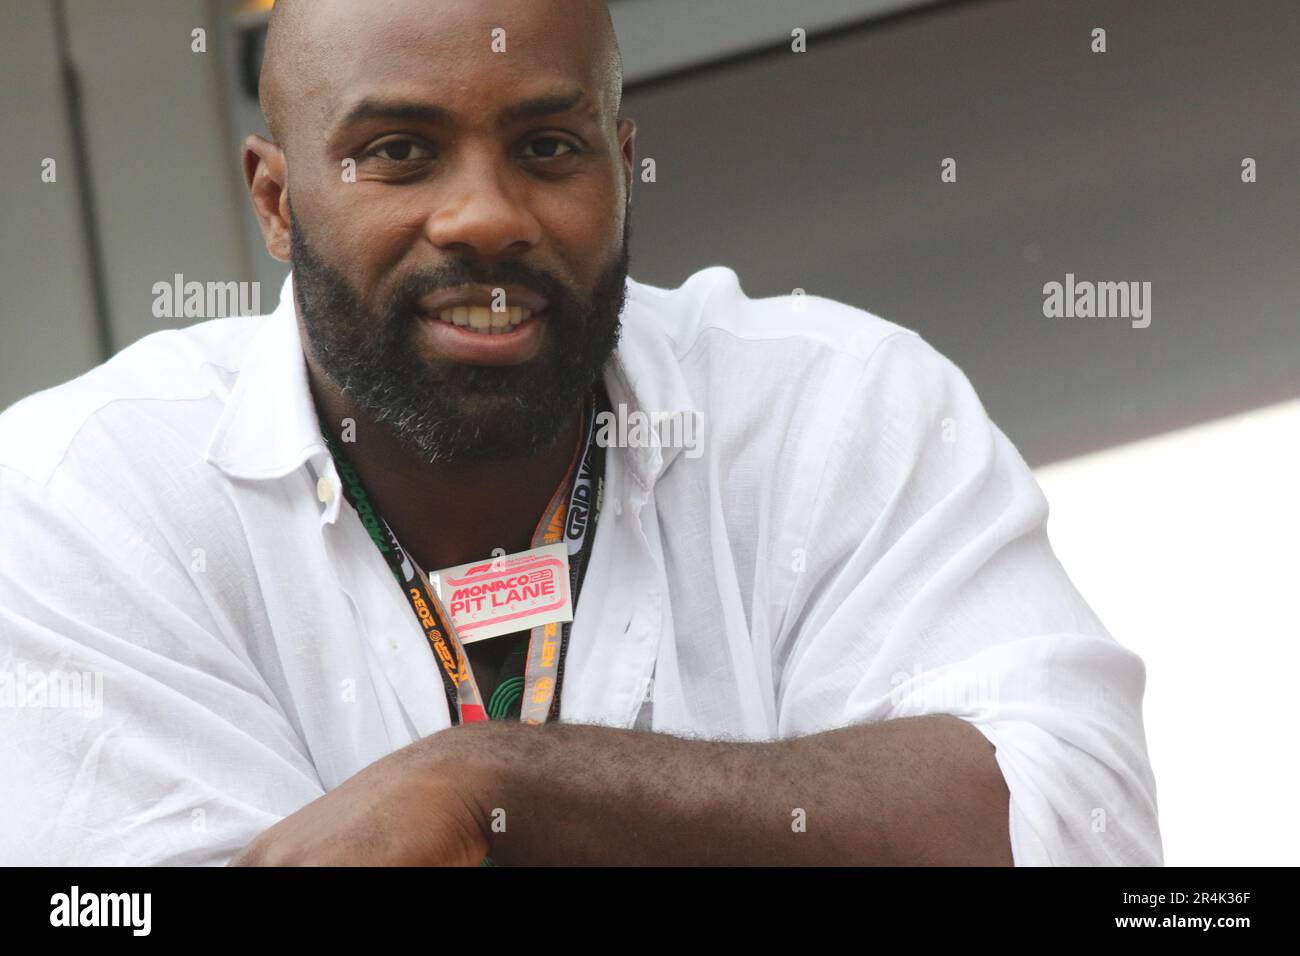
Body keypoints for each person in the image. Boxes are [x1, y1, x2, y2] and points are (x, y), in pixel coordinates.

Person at [0, 0, 1160, 866]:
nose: (486, 217)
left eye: (548, 146)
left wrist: (492, 782)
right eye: (398, 150)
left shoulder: (835, 404)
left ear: (623, 165)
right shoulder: (81, 495)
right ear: (275, 198)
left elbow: (1070, 818)